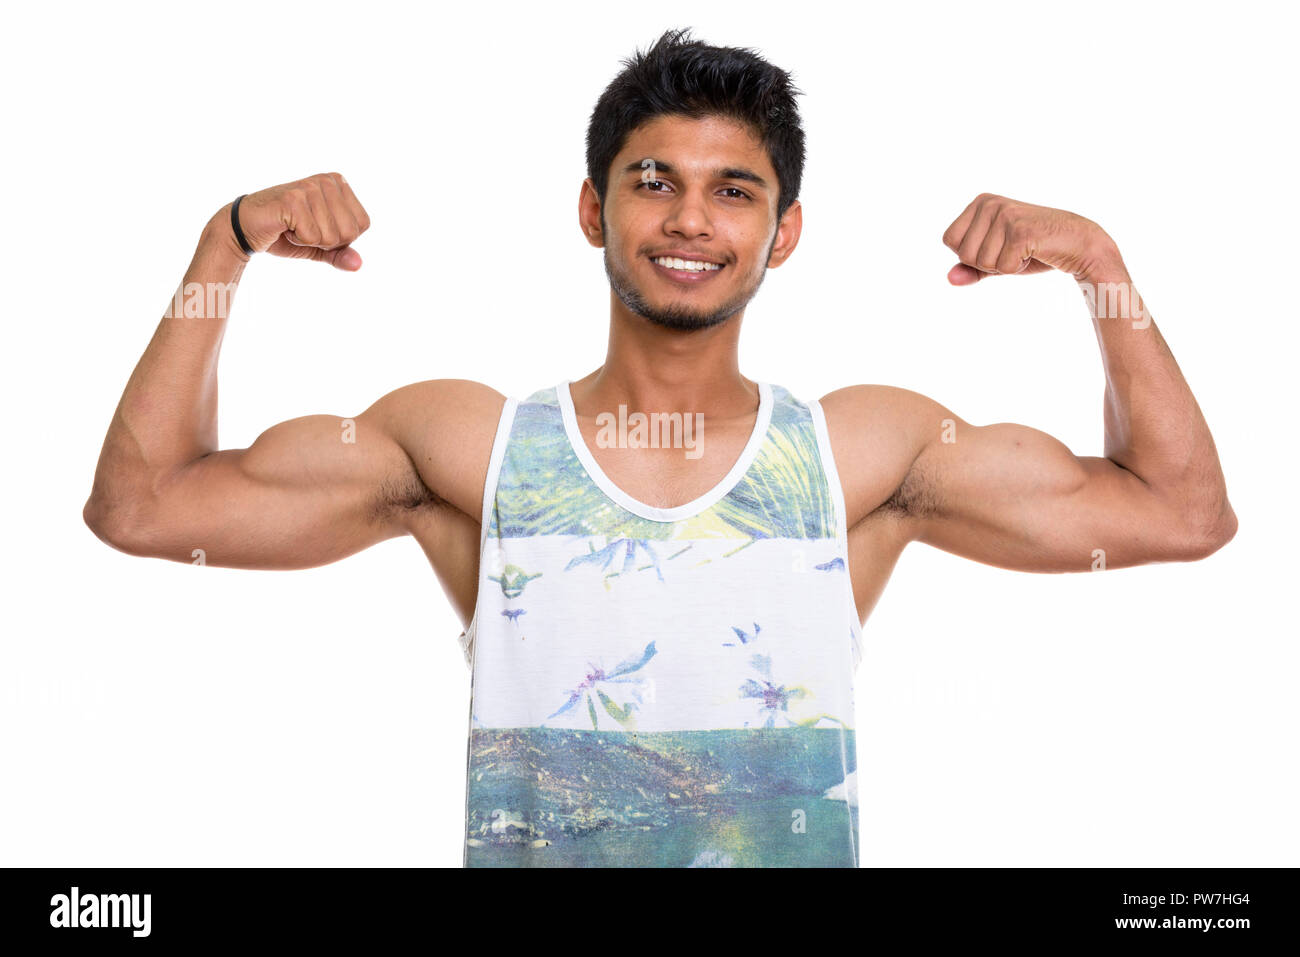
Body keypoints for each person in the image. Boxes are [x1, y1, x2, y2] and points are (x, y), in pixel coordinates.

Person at [82, 27, 1236, 868]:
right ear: (593, 210)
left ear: (782, 233)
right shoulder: (472, 446)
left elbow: (1180, 513)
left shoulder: (861, 455)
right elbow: (143, 509)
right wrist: (222, 244)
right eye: (653, 182)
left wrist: (1099, 266)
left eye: (733, 191)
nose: (691, 219)